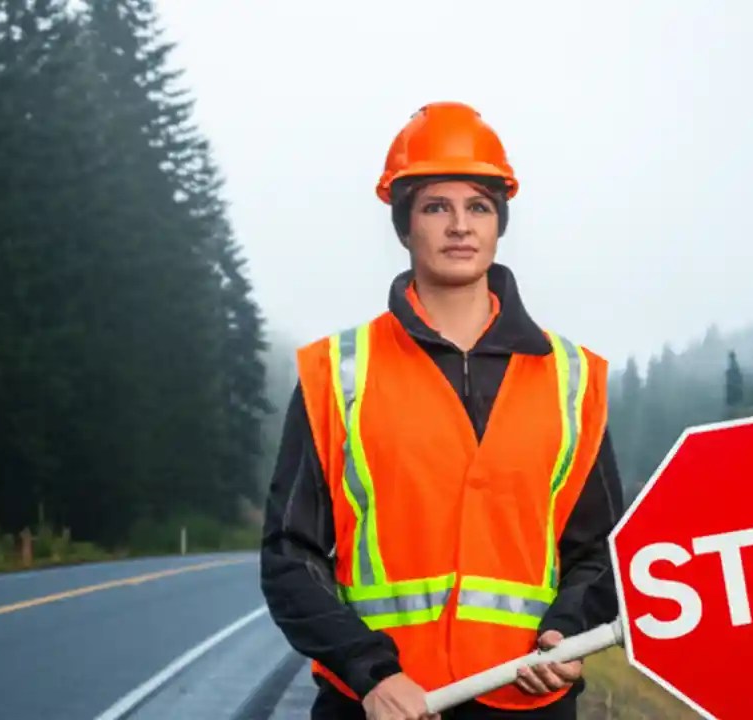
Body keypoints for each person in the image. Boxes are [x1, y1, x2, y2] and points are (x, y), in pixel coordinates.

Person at [260, 101, 625, 720]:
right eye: (437, 207)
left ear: (499, 224)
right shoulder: (338, 373)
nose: (460, 225)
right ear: (405, 227)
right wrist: (370, 674)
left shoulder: (573, 379)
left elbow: (601, 550)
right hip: (377, 706)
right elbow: (290, 555)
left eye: (478, 207)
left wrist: (568, 635)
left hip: (530, 700)